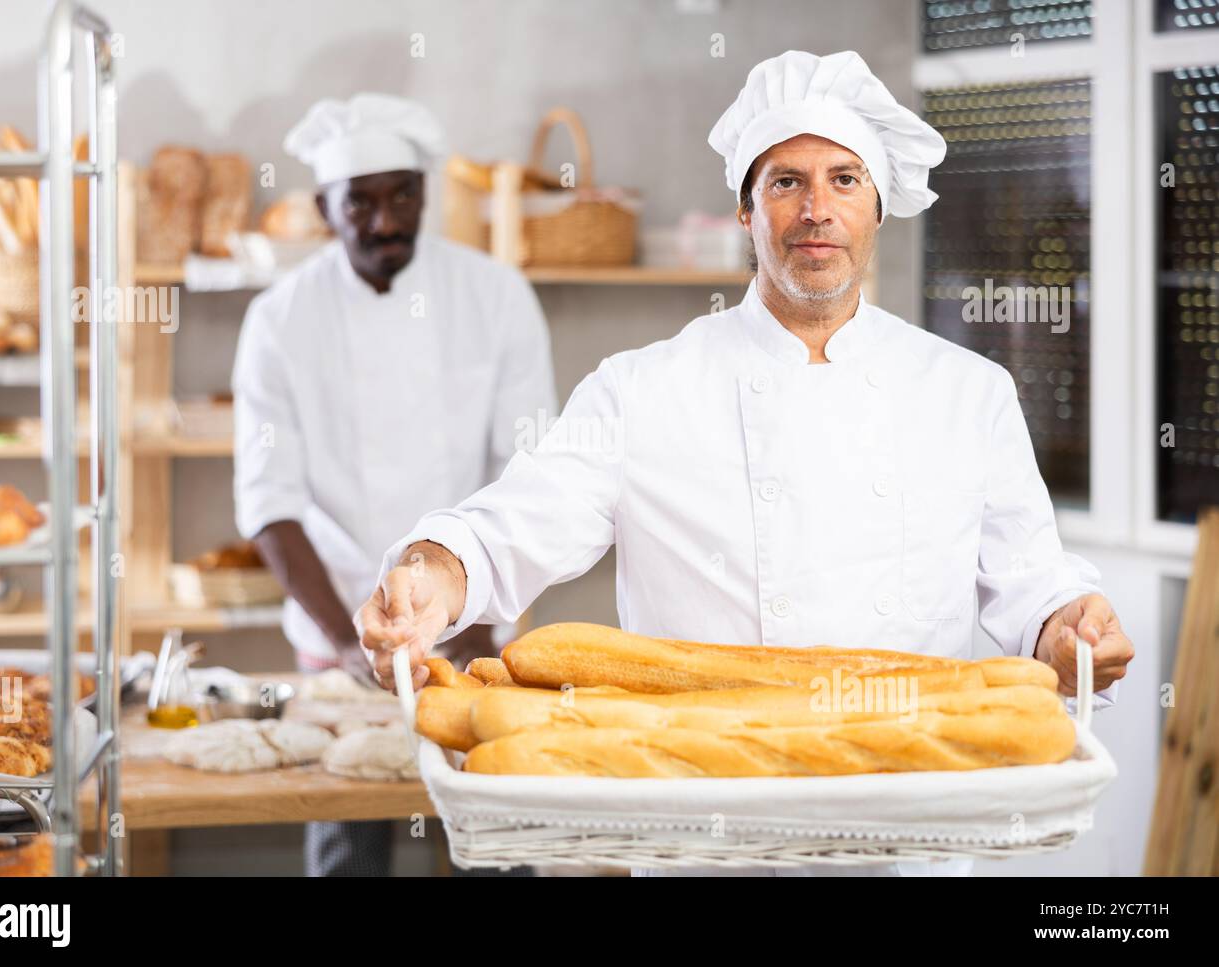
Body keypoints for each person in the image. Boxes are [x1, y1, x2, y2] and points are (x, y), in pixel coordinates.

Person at [355, 51, 1135, 876]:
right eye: (786, 182)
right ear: (745, 210)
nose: (816, 210)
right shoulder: (642, 389)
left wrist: (1068, 629)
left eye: (844, 179)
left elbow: (1033, 583)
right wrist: (431, 578)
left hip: (910, 837)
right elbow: (510, 525)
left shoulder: (968, 393)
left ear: (879, 206)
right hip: (700, 845)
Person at [232, 92, 555, 876]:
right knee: (348, 841)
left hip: (476, 618)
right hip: (337, 622)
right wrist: (350, 642)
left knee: (500, 838)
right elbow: (269, 503)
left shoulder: (496, 294)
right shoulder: (281, 318)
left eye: (402, 195)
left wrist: (481, 618)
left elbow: (534, 475)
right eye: (361, 201)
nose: (385, 221)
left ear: (425, 192)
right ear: (324, 207)